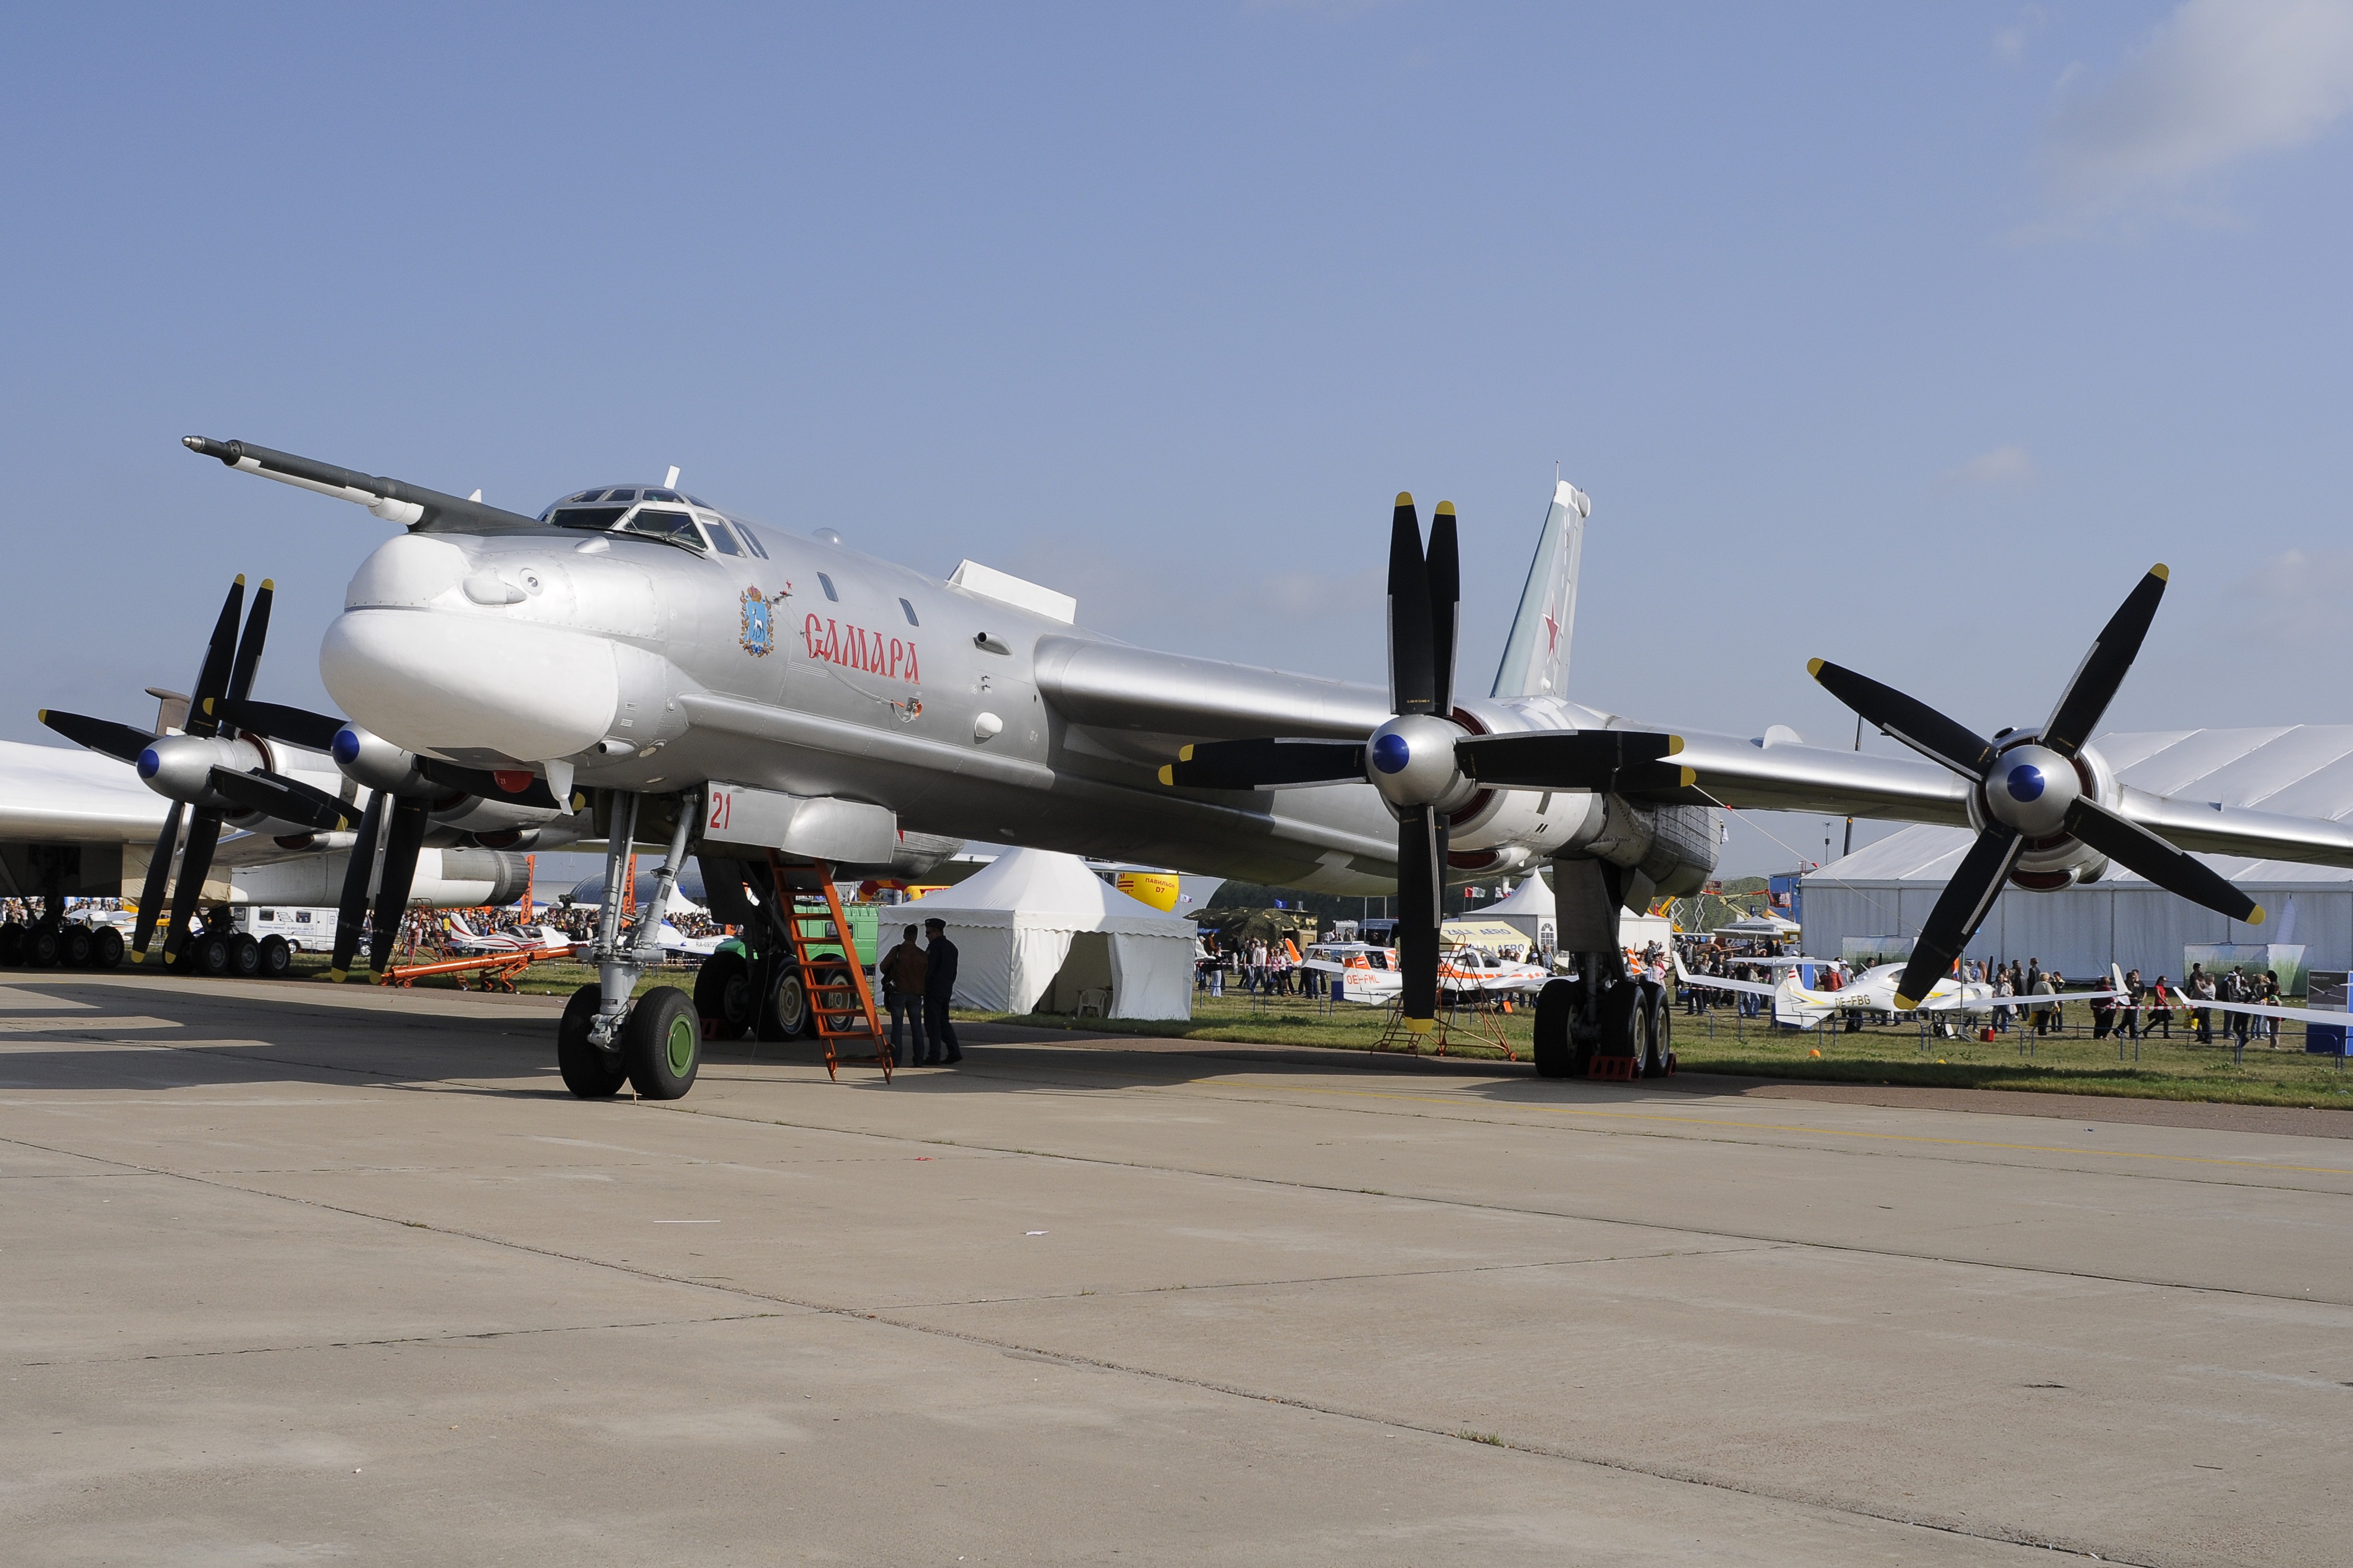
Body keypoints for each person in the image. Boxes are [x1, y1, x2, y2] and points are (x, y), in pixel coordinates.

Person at [877, 923, 928, 1068]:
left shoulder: (897, 950)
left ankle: (896, 1060)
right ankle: (918, 1060)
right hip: (916, 995)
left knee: (897, 1027)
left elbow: (883, 967)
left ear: (904, 936)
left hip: (898, 992)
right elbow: (926, 973)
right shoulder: (922, 954)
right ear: (916, 937)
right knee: (917, 1028)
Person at [921, 917, 962, 1065]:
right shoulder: (952, 947)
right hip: (946, 990)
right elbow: (954, 971)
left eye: (928, 932)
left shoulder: (934, 948)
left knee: (933, 1023)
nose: (926, 936)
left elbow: (929, 970)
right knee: (944, 1022)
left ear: (936, 933)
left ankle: (934, 1055)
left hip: (933, 990)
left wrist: (922, 986)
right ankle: (954, 1051)